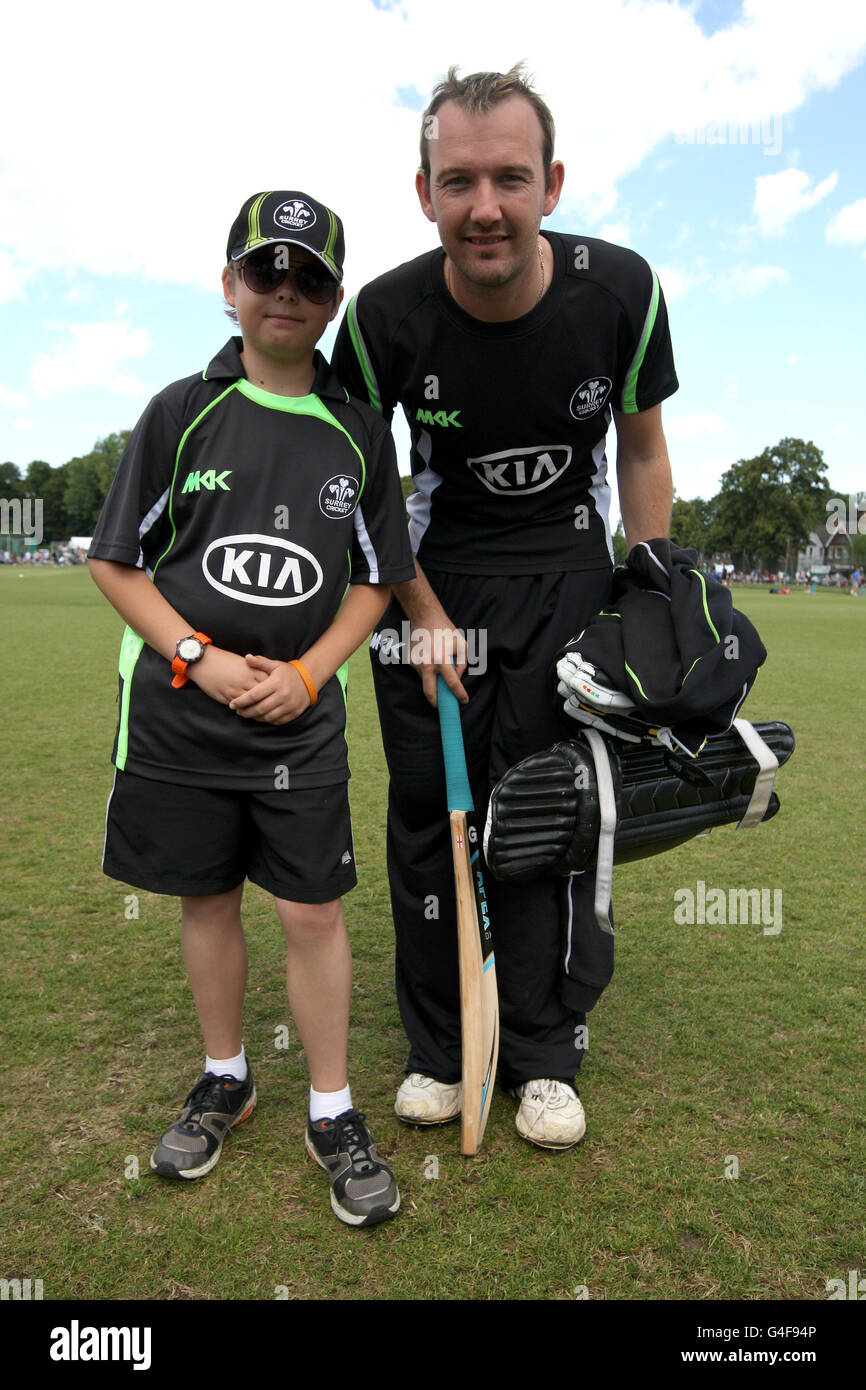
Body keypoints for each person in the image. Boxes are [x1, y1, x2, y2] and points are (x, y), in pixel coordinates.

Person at [332, 67, 678, 1149]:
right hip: (426, 584)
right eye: (459, 180)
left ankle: (539, 1052)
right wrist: (420, 606)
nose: (485, 204)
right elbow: (361, 479)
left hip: (567, 581)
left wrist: (650, 588)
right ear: (424, 191)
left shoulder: (619, 290)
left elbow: (641, 449)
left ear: (552, 183)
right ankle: (440, 1048)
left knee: (546, 817)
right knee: (431, 819)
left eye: (510, 178)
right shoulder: (383, 313)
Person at [89, 190, 416, 1226]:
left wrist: (309, 672)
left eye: (308, 275)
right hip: (184, 713)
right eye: (264, 270)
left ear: (332, 301)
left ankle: (332, 1109)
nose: (284, 290)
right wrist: (200, 655)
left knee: (312, 912)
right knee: (205, 899)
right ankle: (225, 1076)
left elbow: (375, 582)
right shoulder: (179, 409)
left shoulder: (361, 433)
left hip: (302, 720)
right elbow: (116, 560)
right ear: (229, 284)